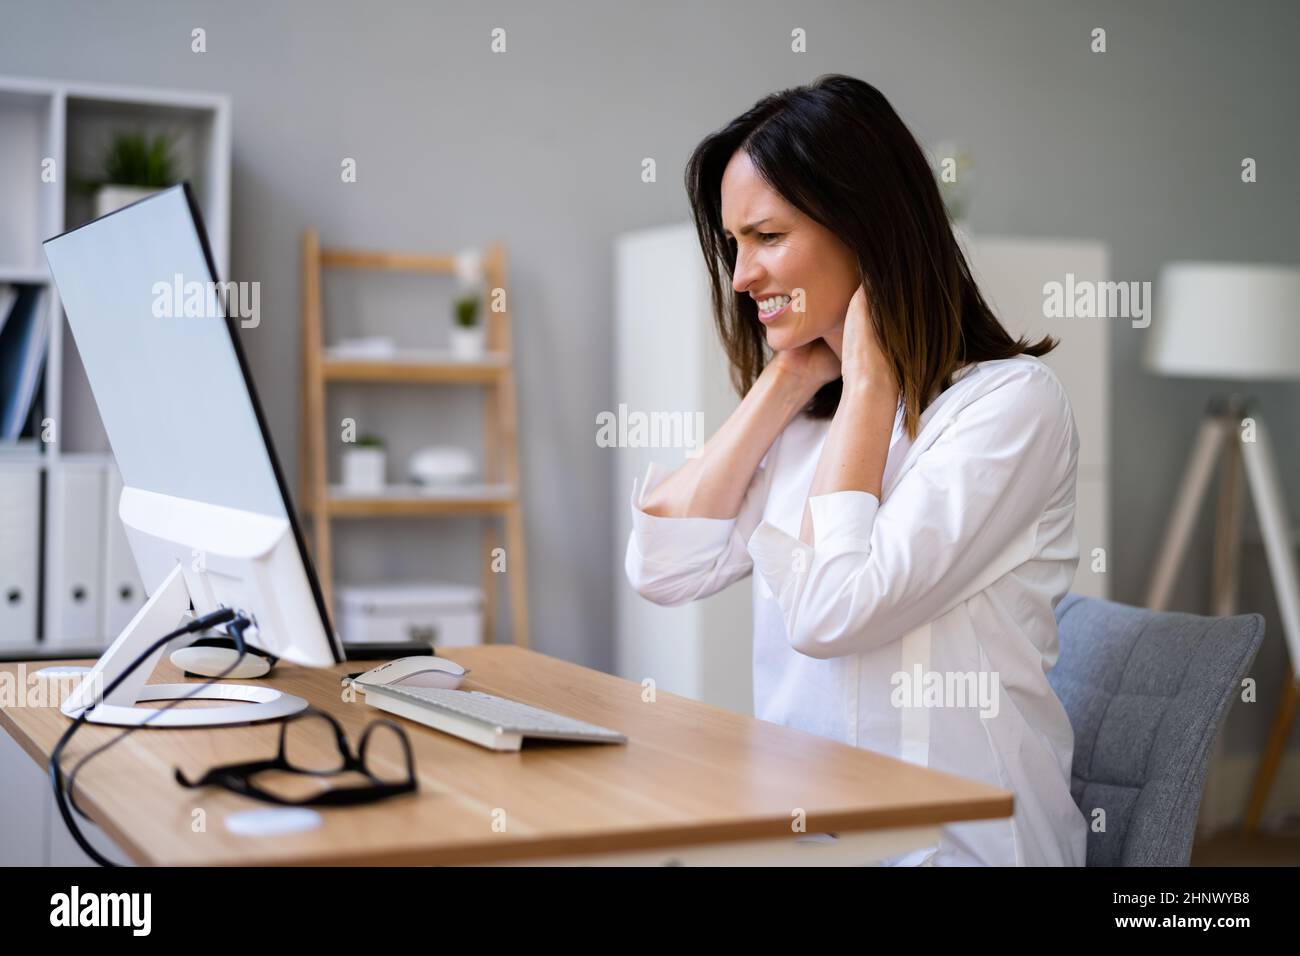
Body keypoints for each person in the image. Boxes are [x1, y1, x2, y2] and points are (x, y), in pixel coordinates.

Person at [624, 74, 1088, 866]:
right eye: (735, 245)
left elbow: (830, 615)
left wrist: (870, 383)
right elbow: (664, 566)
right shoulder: (811, 421)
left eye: (767, 238)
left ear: (865, 230)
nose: (741, 277)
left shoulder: (1007, 409)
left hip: (954, 850)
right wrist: (787, 381)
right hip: (813, 838)